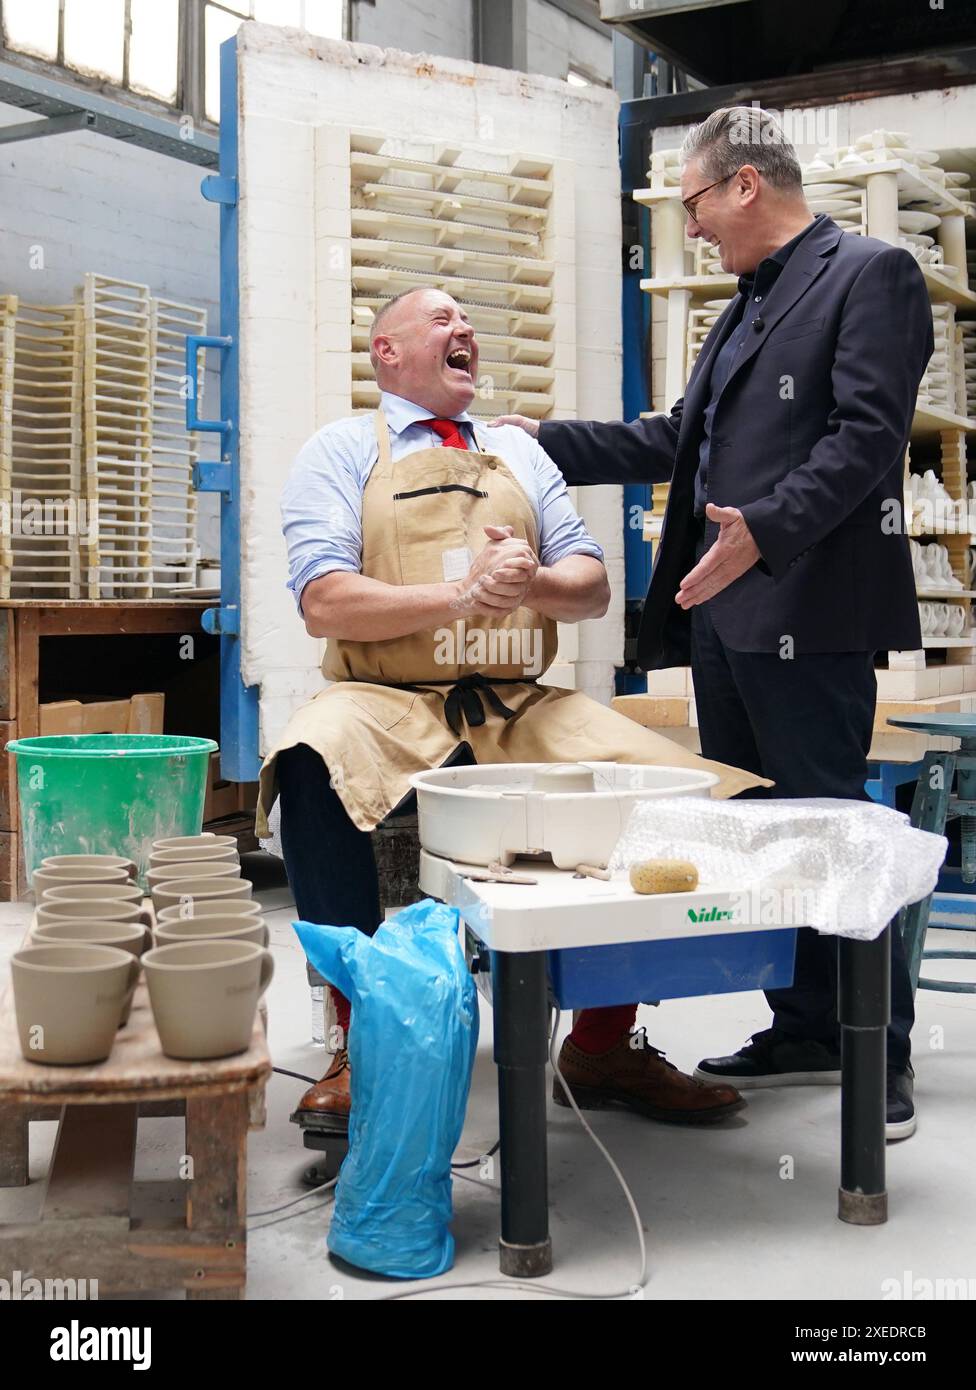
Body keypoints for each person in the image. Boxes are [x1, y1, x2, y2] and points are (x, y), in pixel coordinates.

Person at [492, 107, 933, 1141]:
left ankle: (883, 1050)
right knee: (763, 835)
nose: (689, 228)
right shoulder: (740, 311)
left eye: (690, 204)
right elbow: (672, 437)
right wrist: (542, 442)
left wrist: (764, 533)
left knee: (834, 826)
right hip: (728, 621)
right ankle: (805, 1025)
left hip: (810, 612)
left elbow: (867, 435)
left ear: (742, 186)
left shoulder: (871, 273)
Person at [256, 285, 767, 1137]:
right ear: (387, 353)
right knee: (311, 757)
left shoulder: (521, 457)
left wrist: (530, 583)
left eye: (469, 322)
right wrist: (458, 594)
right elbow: (325, 603)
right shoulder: (340, 449)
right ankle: (362, 1039)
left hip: (519, 701)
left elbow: (593, 587)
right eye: (441, 321)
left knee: (665, 786)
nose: (466, 331)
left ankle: (603, 1044)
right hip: (385, 699)